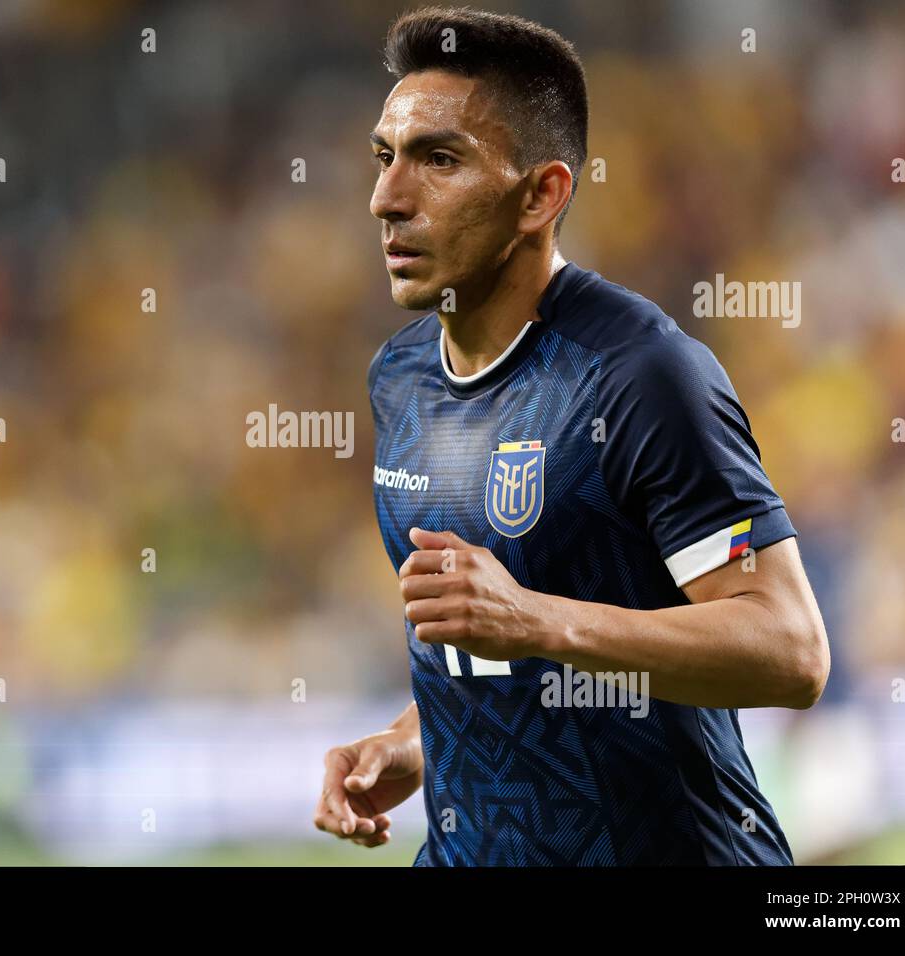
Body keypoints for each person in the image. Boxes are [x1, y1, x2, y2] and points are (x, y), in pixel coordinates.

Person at [313, 6, 829, 865]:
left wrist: (536, 619)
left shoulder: (639, 375)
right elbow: (496, 648)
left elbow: (790, 649)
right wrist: (416, 737)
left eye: (438, 160)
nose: (386, 199)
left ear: (542, 194)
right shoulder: (399, 379)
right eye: (385, 158)